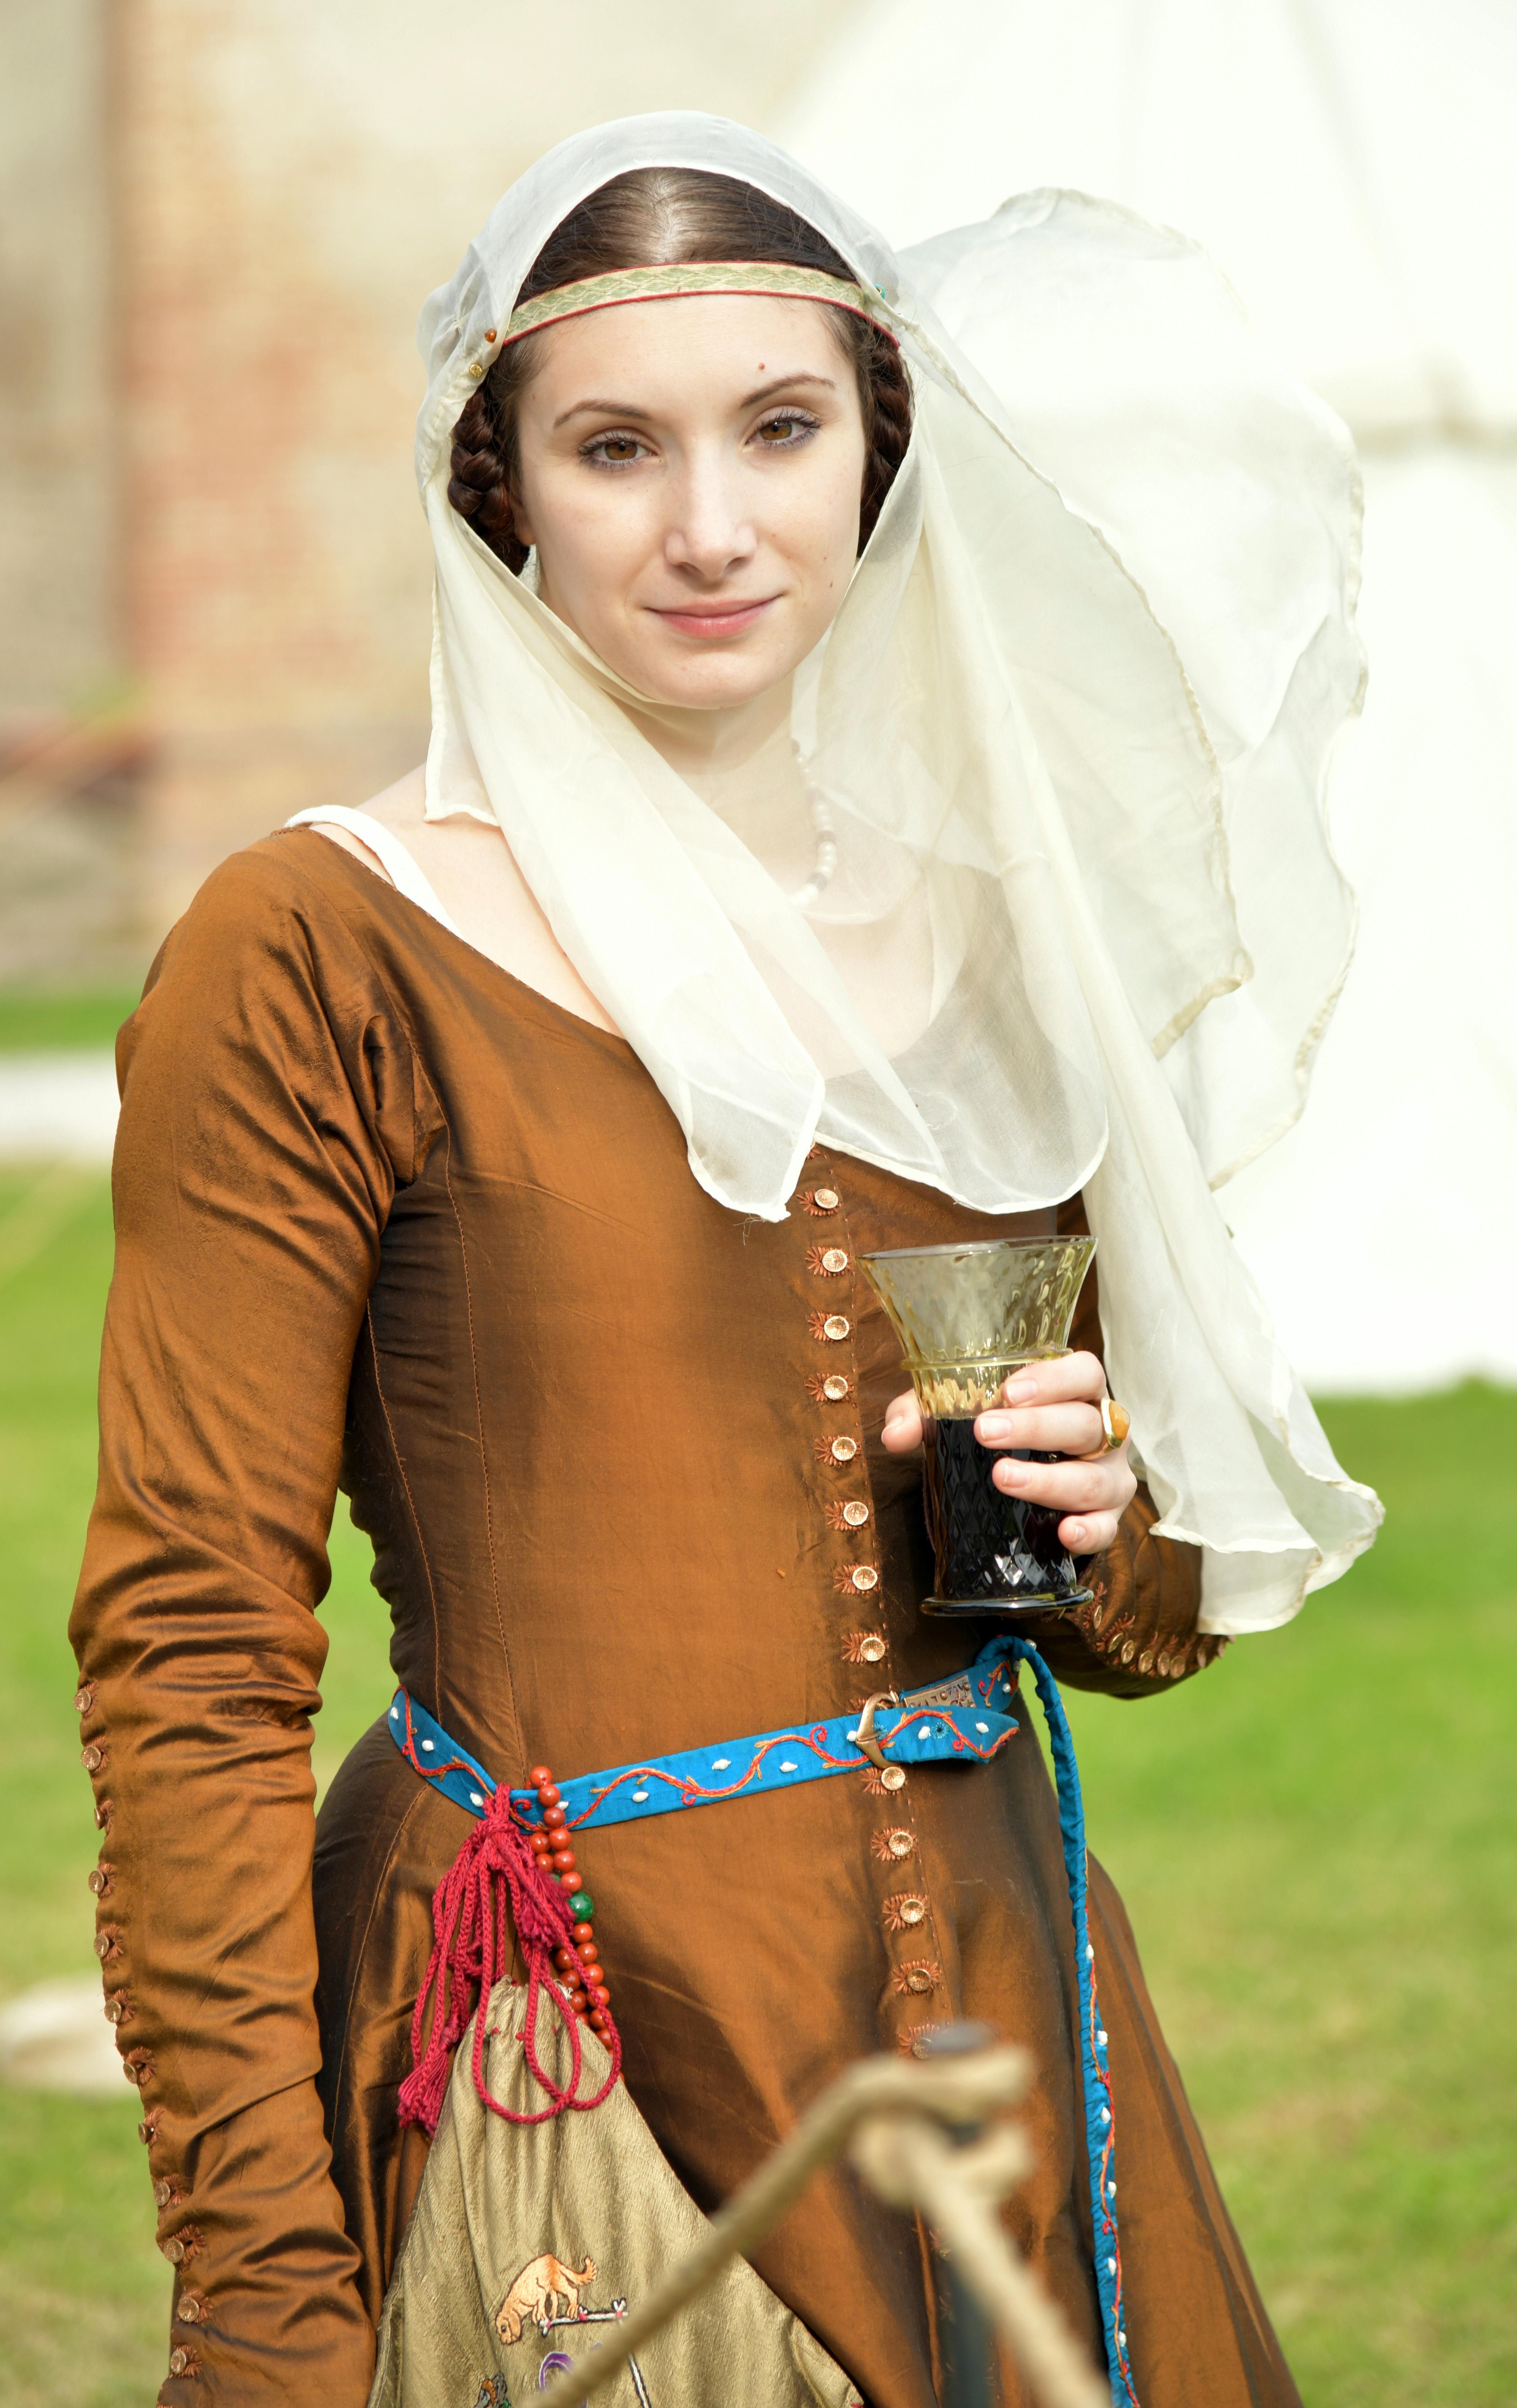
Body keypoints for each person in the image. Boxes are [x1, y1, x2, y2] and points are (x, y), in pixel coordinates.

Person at [70, 115, 1379, 2408]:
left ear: (880, 451)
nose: (707, 525)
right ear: (498, 494)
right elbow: (188, 1640)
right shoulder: (322, 942)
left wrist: (1095, 1523)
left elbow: (1142, 1615)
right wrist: (259, 2298)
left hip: (1003, 2017)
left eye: (779, 429)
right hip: (571, 2054)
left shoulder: (993, 934)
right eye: (611, 447)